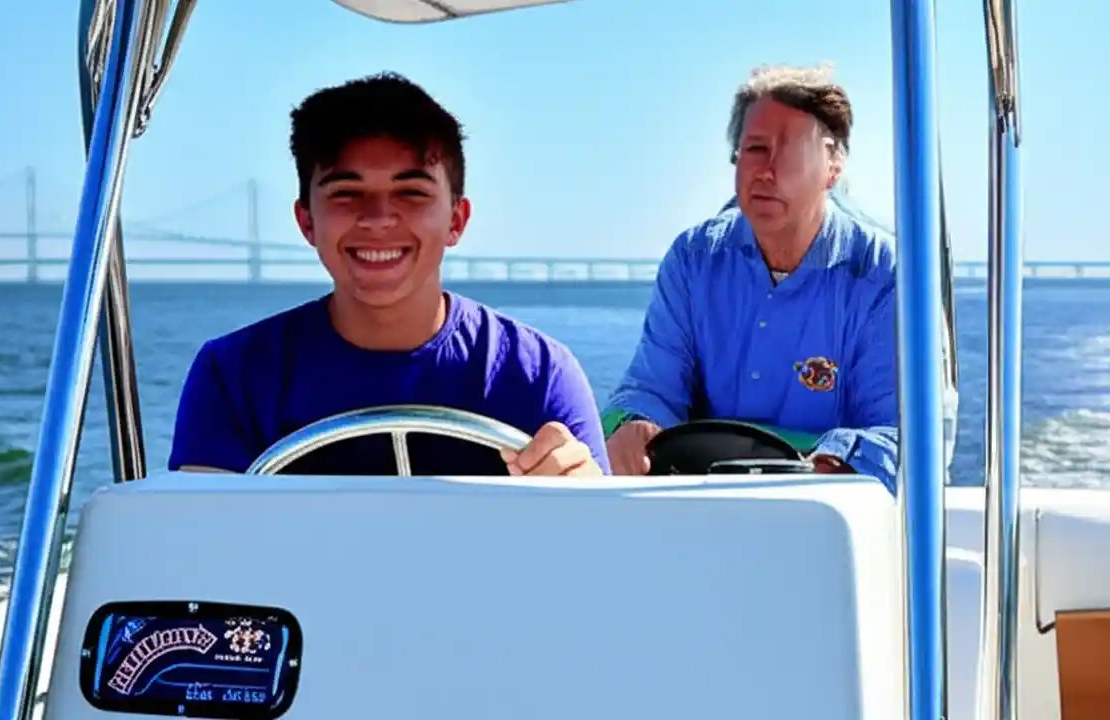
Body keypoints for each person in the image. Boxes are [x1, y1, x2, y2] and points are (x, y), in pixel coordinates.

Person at [168, 72, 609, 478]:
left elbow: (600, 534)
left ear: (456, 220)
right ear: (306, 222)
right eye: (346, 193)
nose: (378, 218)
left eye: (411, 192)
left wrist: (586, 492)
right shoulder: (232, 376)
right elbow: (201, 532)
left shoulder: (538, 374)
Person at [602, 63, 901, 492]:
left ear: (833, 165)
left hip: (827, 518)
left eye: (791, 151)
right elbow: (650, 387)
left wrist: (823, 464)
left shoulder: (884, 275)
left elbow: (903, 435)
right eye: (756, 149)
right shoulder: (692, 260)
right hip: (702, 508)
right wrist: (635, 424)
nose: (766, 170)